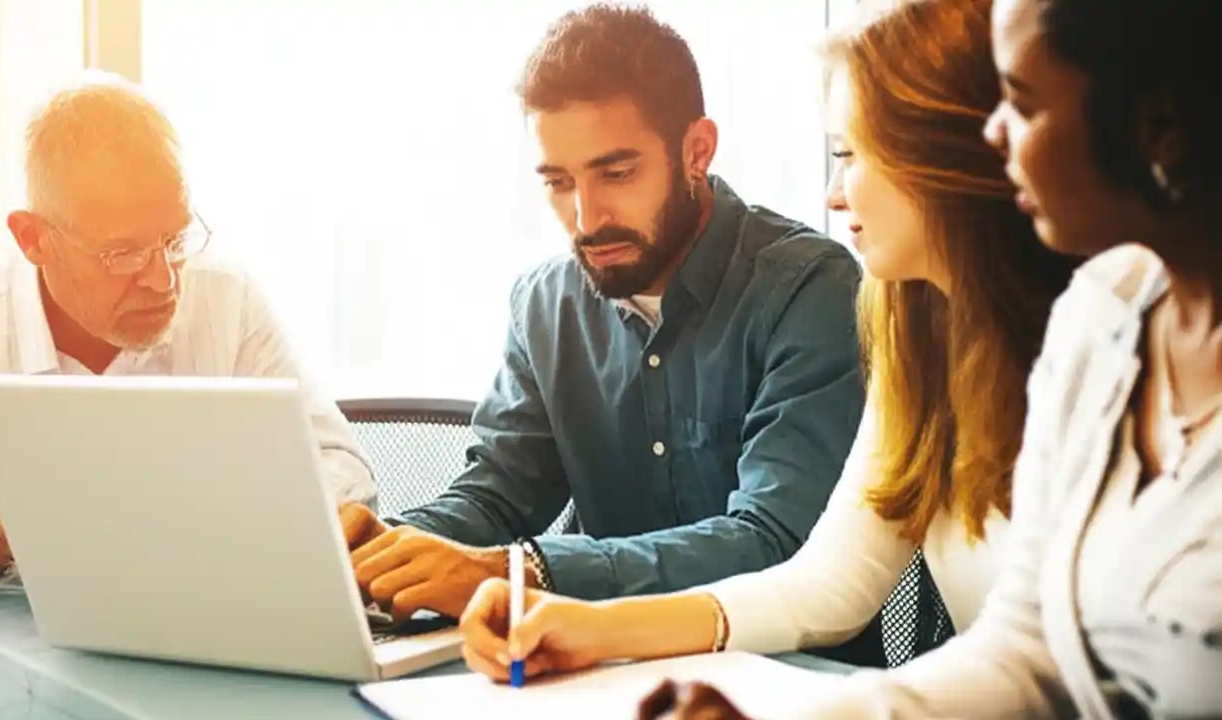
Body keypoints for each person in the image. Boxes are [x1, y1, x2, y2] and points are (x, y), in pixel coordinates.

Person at [456, 0, 1078, 686]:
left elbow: (1047, 666)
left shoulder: (1106, 337)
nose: (834, 194)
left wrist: (548, 579)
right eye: (558, 182)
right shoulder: (917, 337)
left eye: (850, 155)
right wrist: (588, 627)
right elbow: (832, 583)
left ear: (951, 157)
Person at [630, 0, 1222, 716]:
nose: (995, 134)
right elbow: (1026, 649)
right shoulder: (1100, 315)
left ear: (1156, 125)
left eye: (1024, 105)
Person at [340, 3, 866, 638]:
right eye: (559, 182)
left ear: (697, 150)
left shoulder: (812, 290)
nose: (587, 218)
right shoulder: (543, 306)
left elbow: (777, 542)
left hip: (785, 685)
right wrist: (388, 548)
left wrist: (523, 573)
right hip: (586, 675)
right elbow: (496, 500)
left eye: (616, 173)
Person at [0, 74, 376, 589]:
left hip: (198, 626)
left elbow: (345, 471)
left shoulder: (225, 296)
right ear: (34, 239)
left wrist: (228, 520)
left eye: (174, 239)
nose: (163, 279)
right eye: (122, 254)